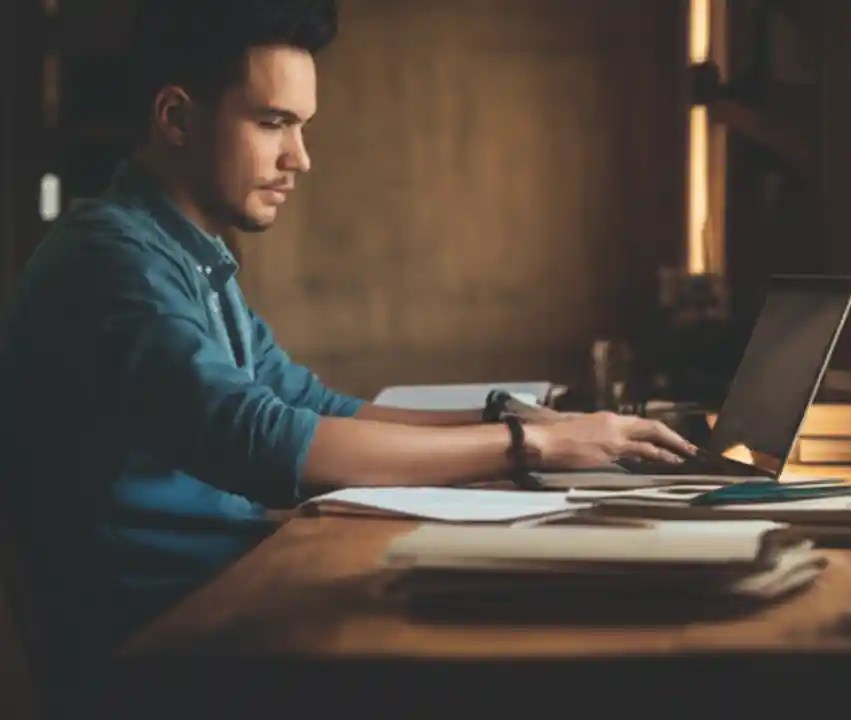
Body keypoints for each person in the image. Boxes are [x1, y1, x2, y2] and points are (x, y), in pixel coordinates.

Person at [0, 0, 694, 682]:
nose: (298, 157)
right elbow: (268, 442)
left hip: (224, 610)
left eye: (302, 127)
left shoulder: (186, 255)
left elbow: (309, 403)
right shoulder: (111, 262)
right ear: (177, 117)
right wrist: (529, 446)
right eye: (274, 123)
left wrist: (521, 423)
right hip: (164, 655)